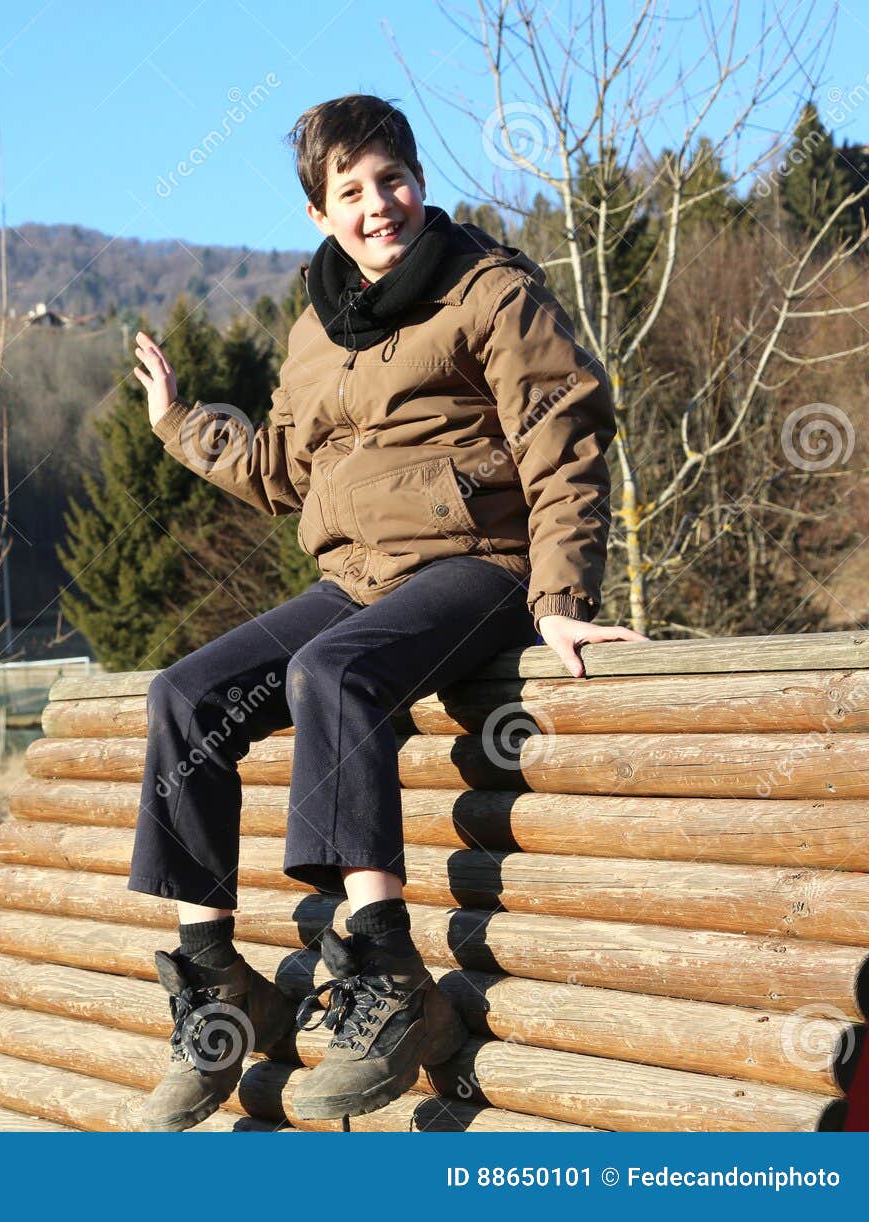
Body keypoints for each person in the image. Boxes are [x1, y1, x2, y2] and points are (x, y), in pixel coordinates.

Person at [126, 93, 649, 1131]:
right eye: (352, 191)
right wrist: (180, 424)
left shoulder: (490, 290)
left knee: (334, 671)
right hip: (356, 581)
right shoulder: (314, 330)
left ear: (419, 177)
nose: (381, 205)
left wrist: (560, 600)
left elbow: (562, 436)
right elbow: (280, 467)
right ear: (320, 212)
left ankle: (384, 969)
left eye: (393, 178)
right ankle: (213, 981)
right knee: (183, 694)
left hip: (480, 565)